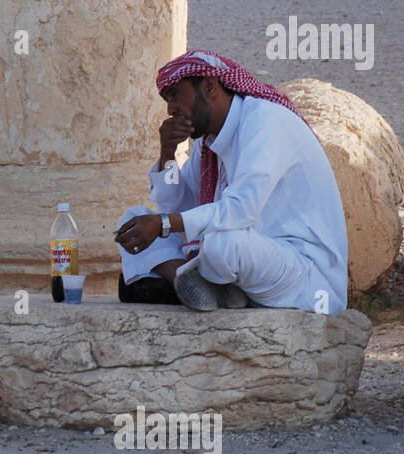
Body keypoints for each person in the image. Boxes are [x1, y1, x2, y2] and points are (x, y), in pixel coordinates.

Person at [112, 49, 348, 314]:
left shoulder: (264, 121)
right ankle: (197, 284)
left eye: (176, 95)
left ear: (210, 87)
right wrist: (168, 155)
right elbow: (178, 206)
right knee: (132, 220)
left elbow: (239, 210)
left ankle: (195, 283)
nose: (170, 109)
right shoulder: (208, 144)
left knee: (221, 244)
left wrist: (164, 224)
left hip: (304, 274)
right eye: (167, 100)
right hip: (251, 262)